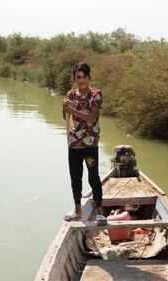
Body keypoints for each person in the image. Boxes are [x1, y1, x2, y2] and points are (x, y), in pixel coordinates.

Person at [62, 62, 107, 226]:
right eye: (78, 77)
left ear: (88, 78)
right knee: (75, 178)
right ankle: (77, 210)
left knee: (93, 176)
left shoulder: (96, 94)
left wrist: (73, 111)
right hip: (74, 145)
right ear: (75, 78)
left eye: (84, 77)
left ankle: (100, 211)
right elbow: (65, 116)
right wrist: (64, 107)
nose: (81, 80)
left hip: (90, 145)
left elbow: (92, 117)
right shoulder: (71, 95)